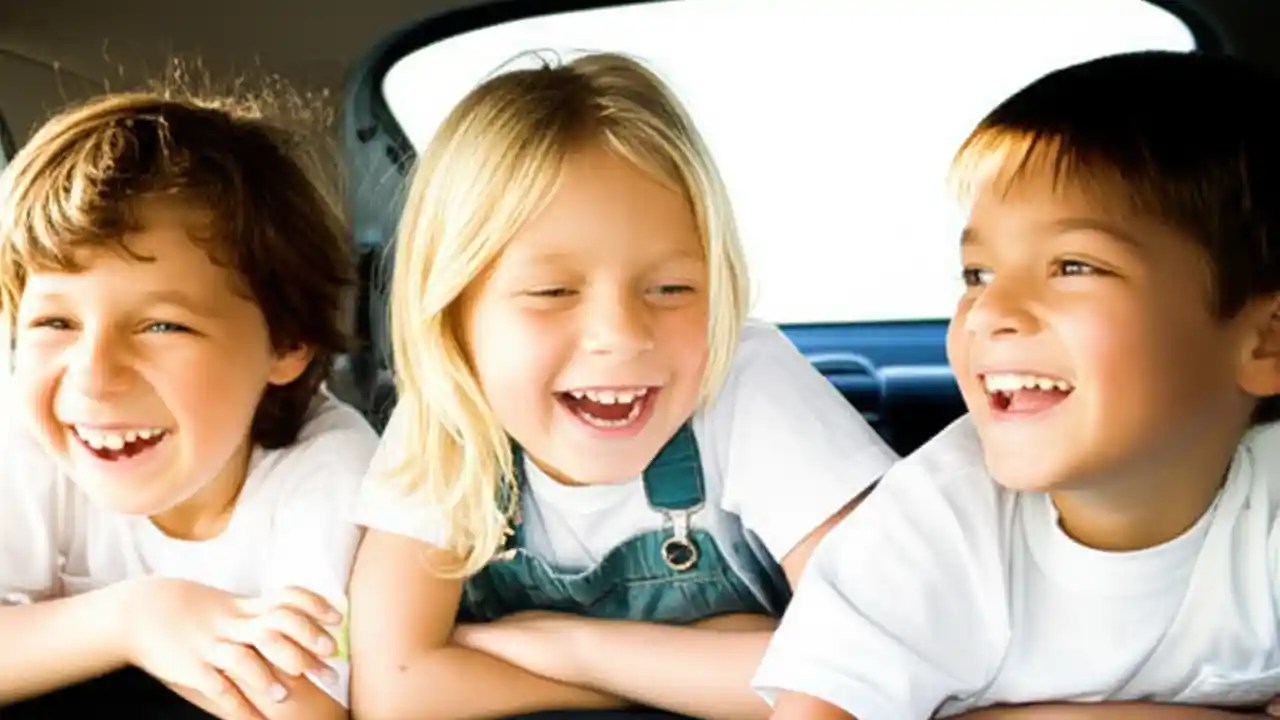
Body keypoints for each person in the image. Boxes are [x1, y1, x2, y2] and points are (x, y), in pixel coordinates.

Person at [347, 51, 898, 719]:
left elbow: (876, 656)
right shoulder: (447, 420)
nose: (622, 334)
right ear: (455, 315)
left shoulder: (744, 383)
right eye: (552, 291)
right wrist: (708, 665)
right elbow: (395, 687)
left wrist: (570, 646)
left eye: (672, 288)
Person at [755, 50, 1280, 720]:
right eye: (977, 275)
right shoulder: (935, 524)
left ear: (1264, 341)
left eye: (1073, 265)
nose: (992, 313)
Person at [0, 91, 377, 720]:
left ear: (287, 344)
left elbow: (308, 712)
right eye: (55, 322)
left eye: (163, 327)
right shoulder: (28, 436)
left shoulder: (329, 470)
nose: (93, 380)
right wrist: (136, 618)